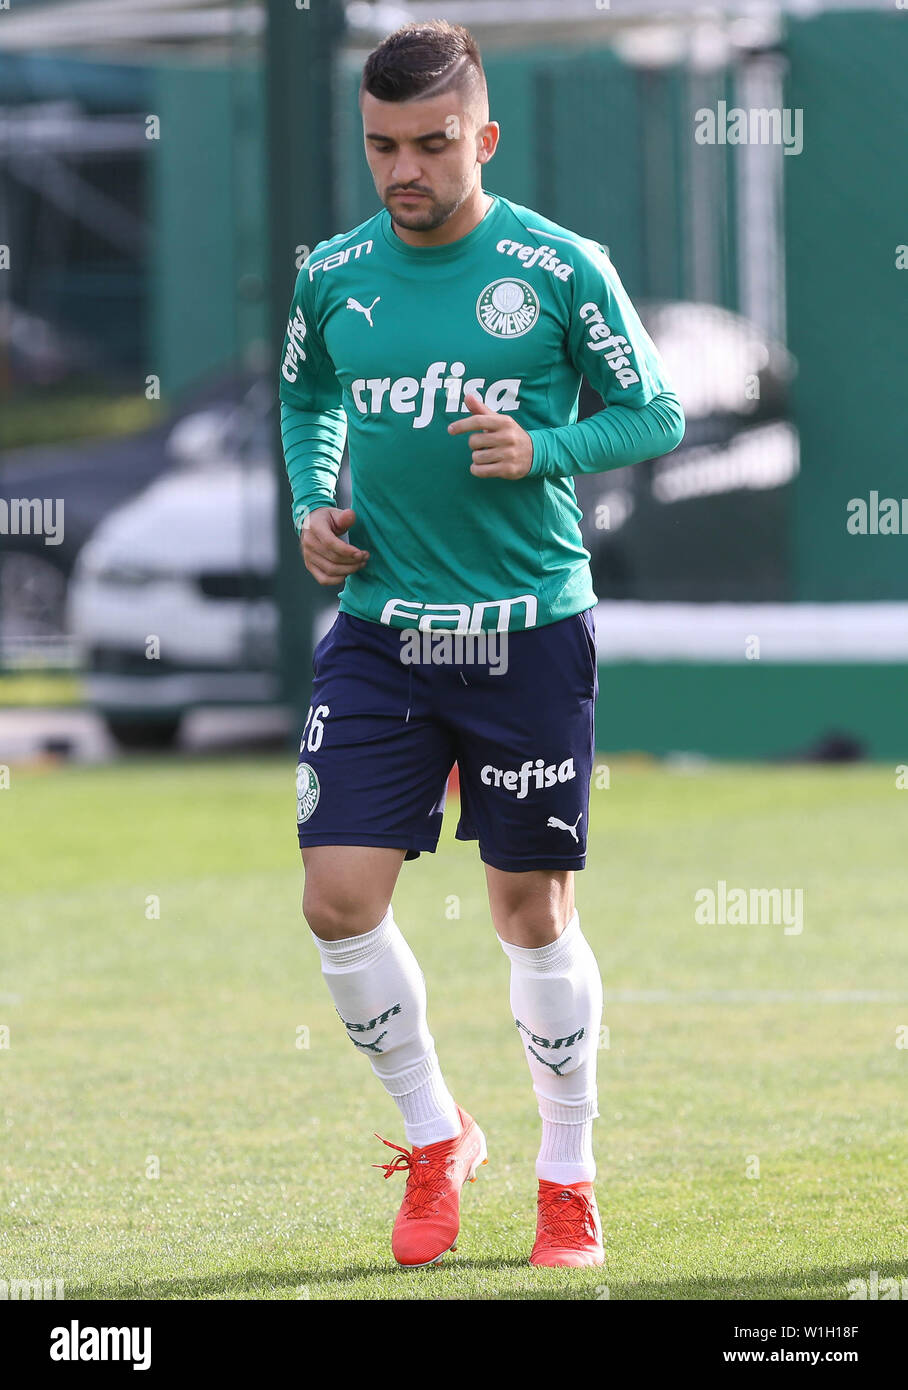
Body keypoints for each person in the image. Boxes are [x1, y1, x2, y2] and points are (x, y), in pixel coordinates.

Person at [279, 19, 684, 1269]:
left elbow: (653, 410)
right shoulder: (332, 272)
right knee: (337, 899)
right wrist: (315, 501)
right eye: (383, 146)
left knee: (528, 910)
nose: (405, 169)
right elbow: (307, 399)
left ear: (482, 138)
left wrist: (542, 449)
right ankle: (435, 1133)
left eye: (433, 145)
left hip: (526, 635)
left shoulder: (557, 267)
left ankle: (567, 1172)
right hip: (381, 634)